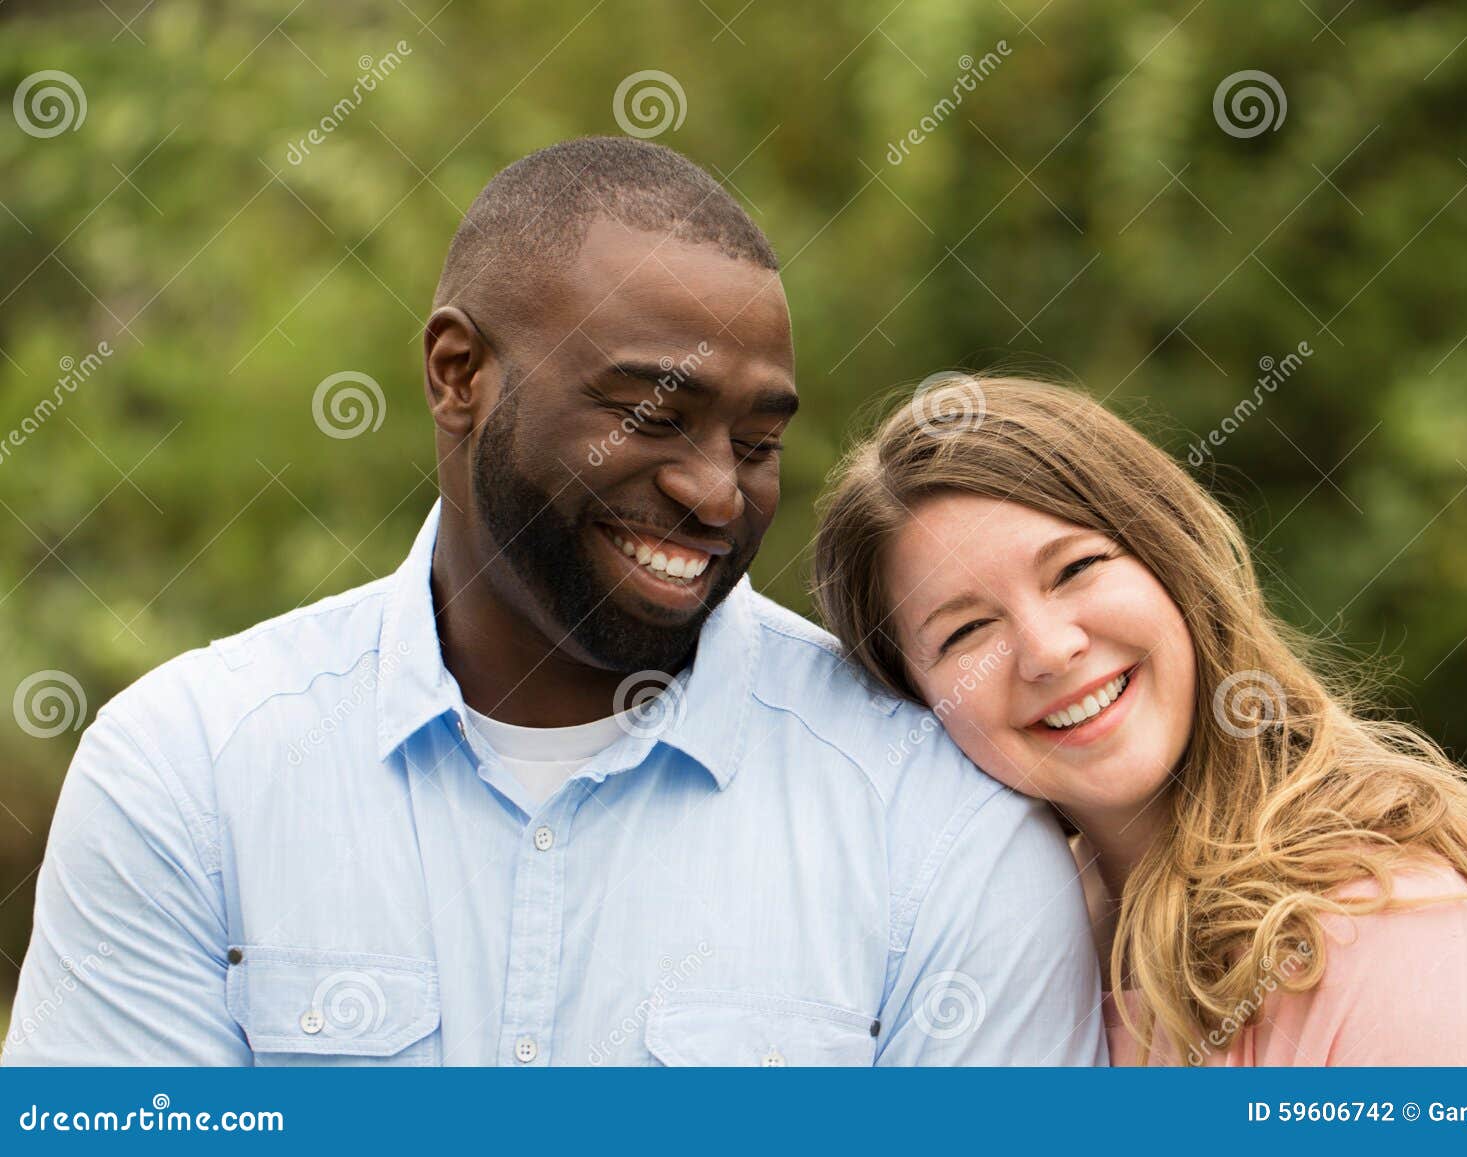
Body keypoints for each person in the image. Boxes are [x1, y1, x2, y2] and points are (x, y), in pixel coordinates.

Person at [2, 143, 1104, 1067]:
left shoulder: (941, 831)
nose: (716, 489)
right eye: (650, 415)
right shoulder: (187, 775)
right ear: (457, 373)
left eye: (758, 443)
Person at [811, 374, 1467, 1065]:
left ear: (1172, 556)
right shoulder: (1007, 953)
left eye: (1077, 568)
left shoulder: (1389, 937)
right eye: (965, 631)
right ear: (914, 700)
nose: (1048, 651)